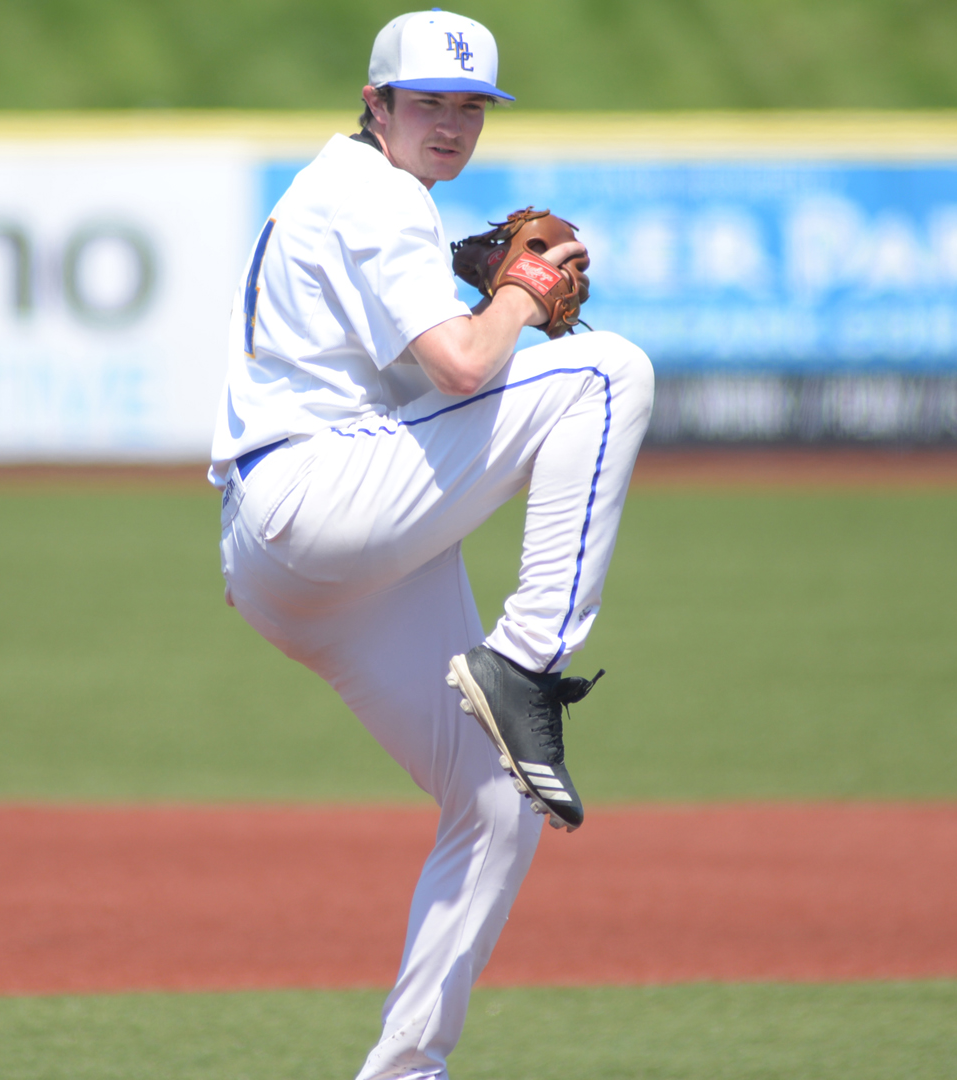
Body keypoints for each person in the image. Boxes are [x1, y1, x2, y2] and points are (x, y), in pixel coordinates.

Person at [211, 10, 654, 1079]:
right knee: (610, 372)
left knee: (499, 803)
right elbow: (462, 368)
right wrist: (512, 295)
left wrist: (492, 306)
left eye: (470, 106)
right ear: (377, 104)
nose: (451, 122)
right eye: (427, 102)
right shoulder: (378, 195)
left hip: (311, 552)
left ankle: (406, 1070)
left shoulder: (352, 190)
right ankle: (529, 660)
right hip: (312, 494)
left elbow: (429, 381)